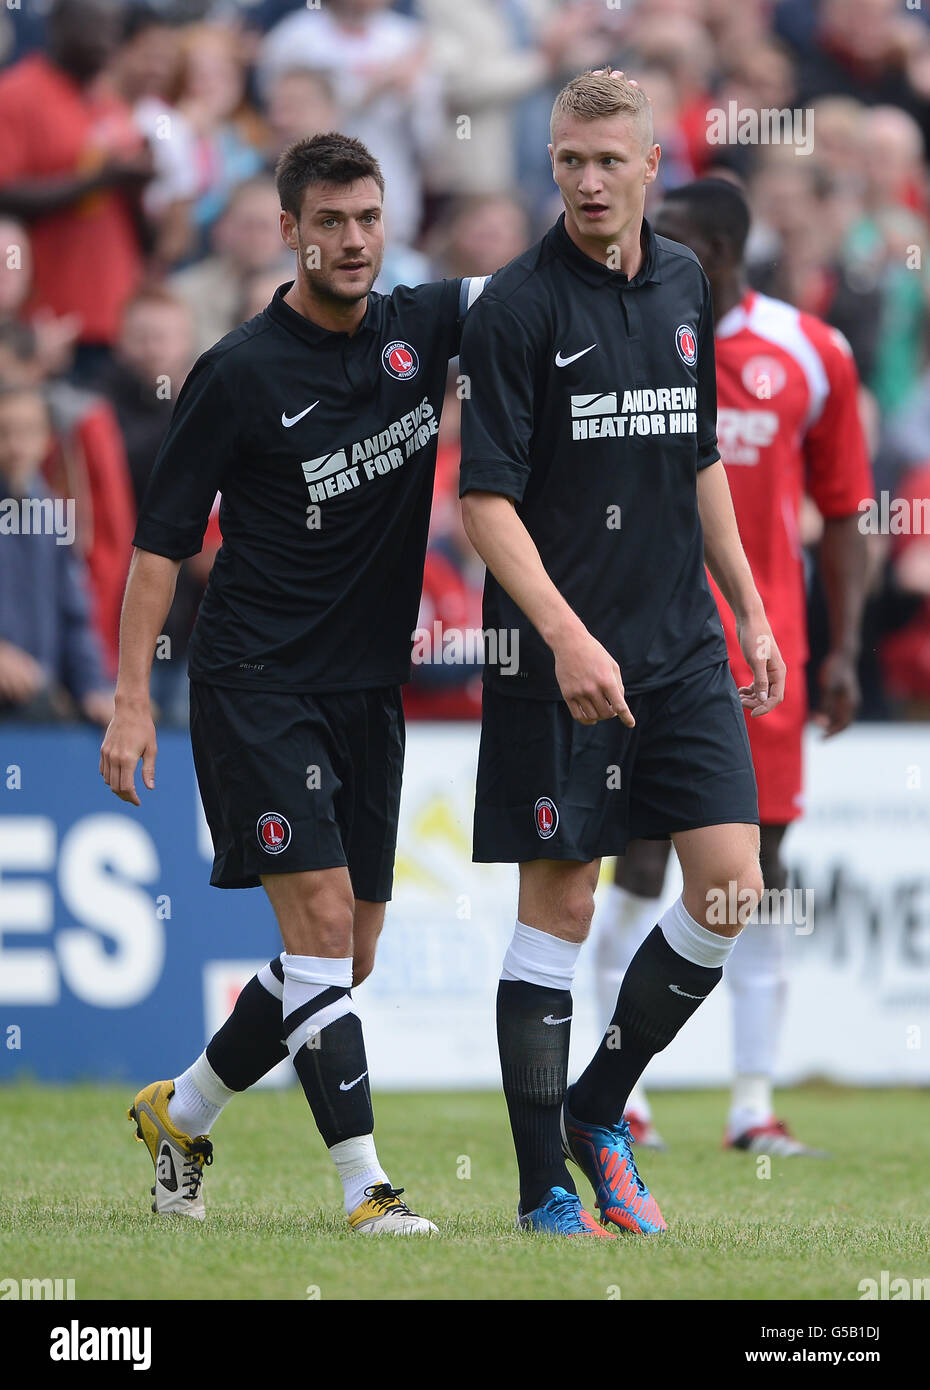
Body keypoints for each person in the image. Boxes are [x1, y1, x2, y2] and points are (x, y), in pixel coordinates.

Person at [100, 132, 489, 1233]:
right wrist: (134, 695)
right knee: (319, 926)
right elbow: (160, 545)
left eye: (368, 218)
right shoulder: (237, 371)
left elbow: (536, 279)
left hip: (368, 688)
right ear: (290, 232)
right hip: (254, 680)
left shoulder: (423, 325)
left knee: (344, 955)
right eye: (330, 222)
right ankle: (367, 1188)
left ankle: (181, 1110)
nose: (353, 240)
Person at [457, 71, 785, 1238]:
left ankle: (601, 1109)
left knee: (735, 884)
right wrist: (562, 635)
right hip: (560, 655)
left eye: (609, 160)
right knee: (562, 906)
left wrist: (745, 603)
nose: (588, 181)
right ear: (550, 165)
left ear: (652, 165)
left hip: (681, 644)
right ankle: (545, 1185)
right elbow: (483, 504)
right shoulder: (514, 307)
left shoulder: (688, 281)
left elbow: (698, 459)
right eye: (568, 161)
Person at [596, 178, 873, 1156]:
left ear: (718, 251)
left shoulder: (812, 352)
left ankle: (752, 1102)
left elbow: (845, 511)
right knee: (634, 867)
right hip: (641, 649)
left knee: (760, 879)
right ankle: (621, 1094)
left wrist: (841, 650)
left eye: (667, 240)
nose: (647, 255)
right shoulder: (619, 338)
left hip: (767, 659)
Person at [0, 0, 153, 384]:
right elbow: (4, 193)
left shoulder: (110, 104)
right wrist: (98, 180)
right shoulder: (16, 94)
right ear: (58, 28)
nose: (104, 40)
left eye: (112, 30)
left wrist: (137, 182)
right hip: (49, 319)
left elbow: (133, 216)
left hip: (117, 316)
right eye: (92, 28)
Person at [0, 383, 114, 725]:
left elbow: (73, 614)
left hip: (36, 707)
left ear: (46, 439)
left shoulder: (52, 513)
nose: (16, 445)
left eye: (27, 431)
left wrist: (93, 688)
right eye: (4, 431)